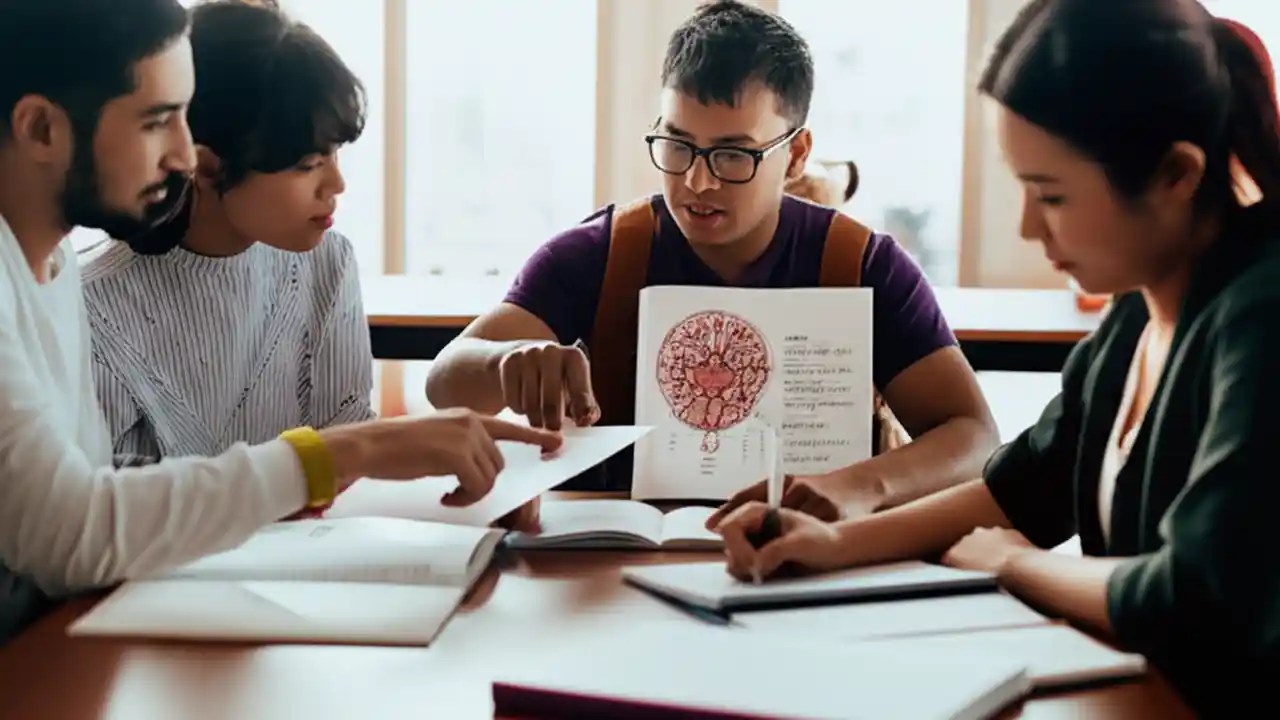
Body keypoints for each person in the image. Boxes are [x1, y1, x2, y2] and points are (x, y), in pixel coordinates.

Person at [714, 0, 1280, 712]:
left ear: (1175, 175)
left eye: (1051, 194)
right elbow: (1019, 488)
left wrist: (1016, 563)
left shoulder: (1261, 321)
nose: (1026, 226)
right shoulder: (1138, 311)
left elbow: (1192, 595)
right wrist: (835, 543)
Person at [0, 0, 557, 642]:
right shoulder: (75, 281)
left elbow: (89, 533)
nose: (187, 156)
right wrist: (356, 449)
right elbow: (71, 537)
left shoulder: (52, 266)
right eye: (159, 122)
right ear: (42, 129)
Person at [426, 1, 998, 519]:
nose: (697, 181)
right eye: (677, 147)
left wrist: (863, 487)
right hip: (614, 571)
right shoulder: (599, 255)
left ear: (796, 154)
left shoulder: (861, 266)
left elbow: (973, 436)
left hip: (811, 565)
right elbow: (445, 383)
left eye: (732, 155)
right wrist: (504, 362)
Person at [83, 1, 374, 468]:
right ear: (209, 165)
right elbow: (96, 499)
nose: (336, 185)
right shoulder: (93, 305)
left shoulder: (328, 262)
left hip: (316, 540)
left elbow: (349, 443)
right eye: (307, 165)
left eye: (334, 154)